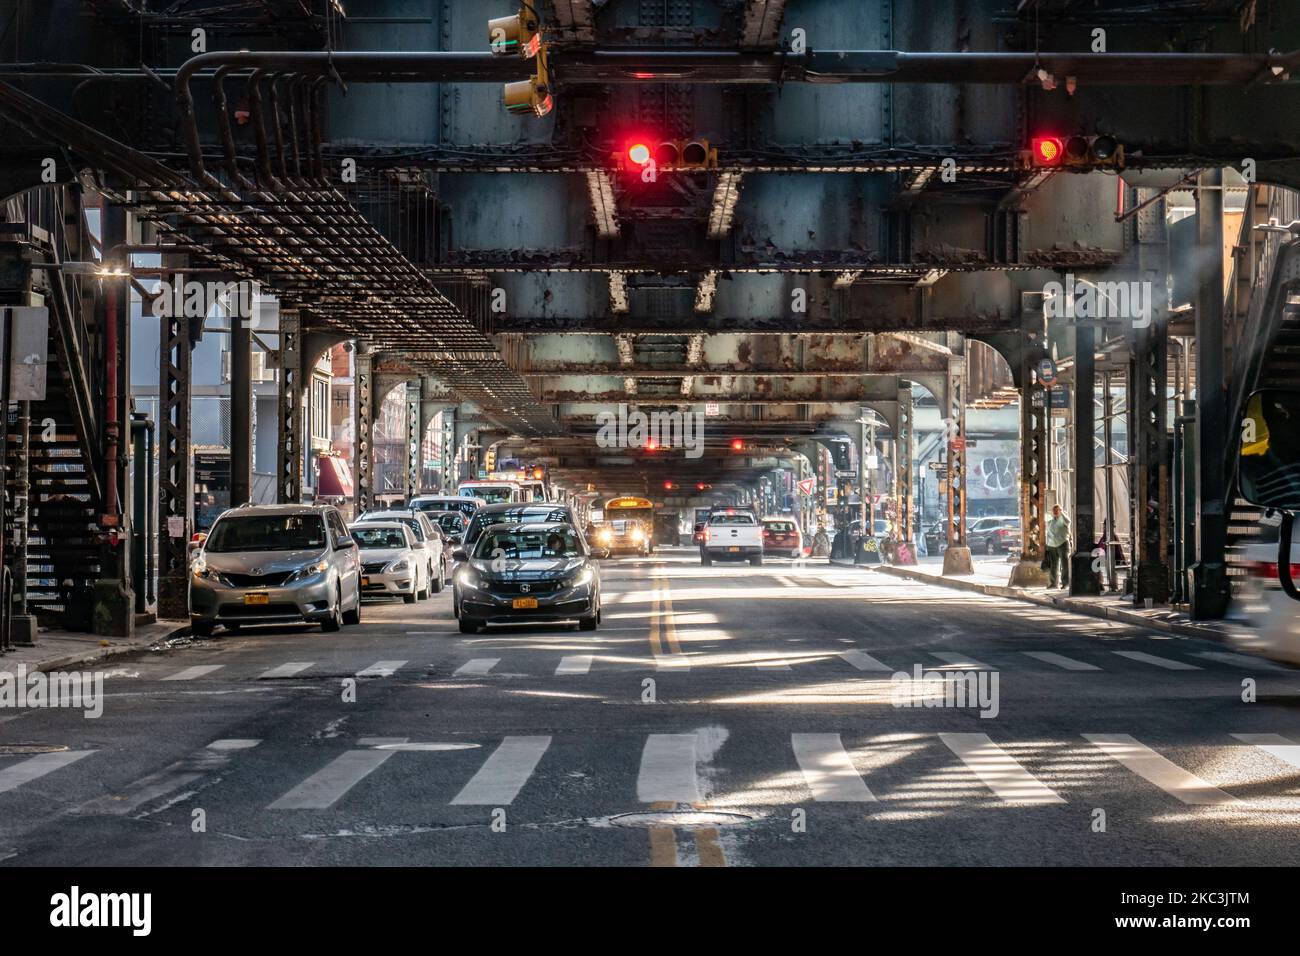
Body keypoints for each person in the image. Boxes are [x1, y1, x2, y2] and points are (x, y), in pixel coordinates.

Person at [1045, 504, 1071, 589]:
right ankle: (1054, 583)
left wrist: (1062, 512)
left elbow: (1068, 522)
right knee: (1053, 565)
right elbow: (1048, 532)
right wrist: (1047, 544)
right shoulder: (1051, 521)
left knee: (1064, 564)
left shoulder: (1063, 519)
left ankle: (1065, 583)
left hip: (1062, 543)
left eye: (1057, 510)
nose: (1055, 512)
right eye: (1054, 510)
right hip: (1052, 545)